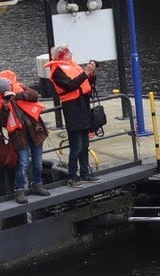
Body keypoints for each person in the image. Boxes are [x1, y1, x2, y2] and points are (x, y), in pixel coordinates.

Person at [0, 71, 50, 204]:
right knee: (23, 163)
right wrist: (5, 108)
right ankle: (19, 190)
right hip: (19, 136)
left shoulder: (20, 89)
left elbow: (35, 95)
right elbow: (1, 121)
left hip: (35, 131)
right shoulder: (0, 103)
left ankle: (37, 184)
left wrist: (16, 95)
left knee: (38, 161)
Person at [44, 44, 98, 187]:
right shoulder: (57, 72)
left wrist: (92, 74)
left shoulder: (73, 66)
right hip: (72, 108)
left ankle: (85, 173)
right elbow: (70, 85)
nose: (71, 55)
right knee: (76, 146)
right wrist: (85, 73)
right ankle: (73, 176)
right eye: (68, 53)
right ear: (62, 56)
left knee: (85, 144)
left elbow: (87, 83)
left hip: (83, 106)